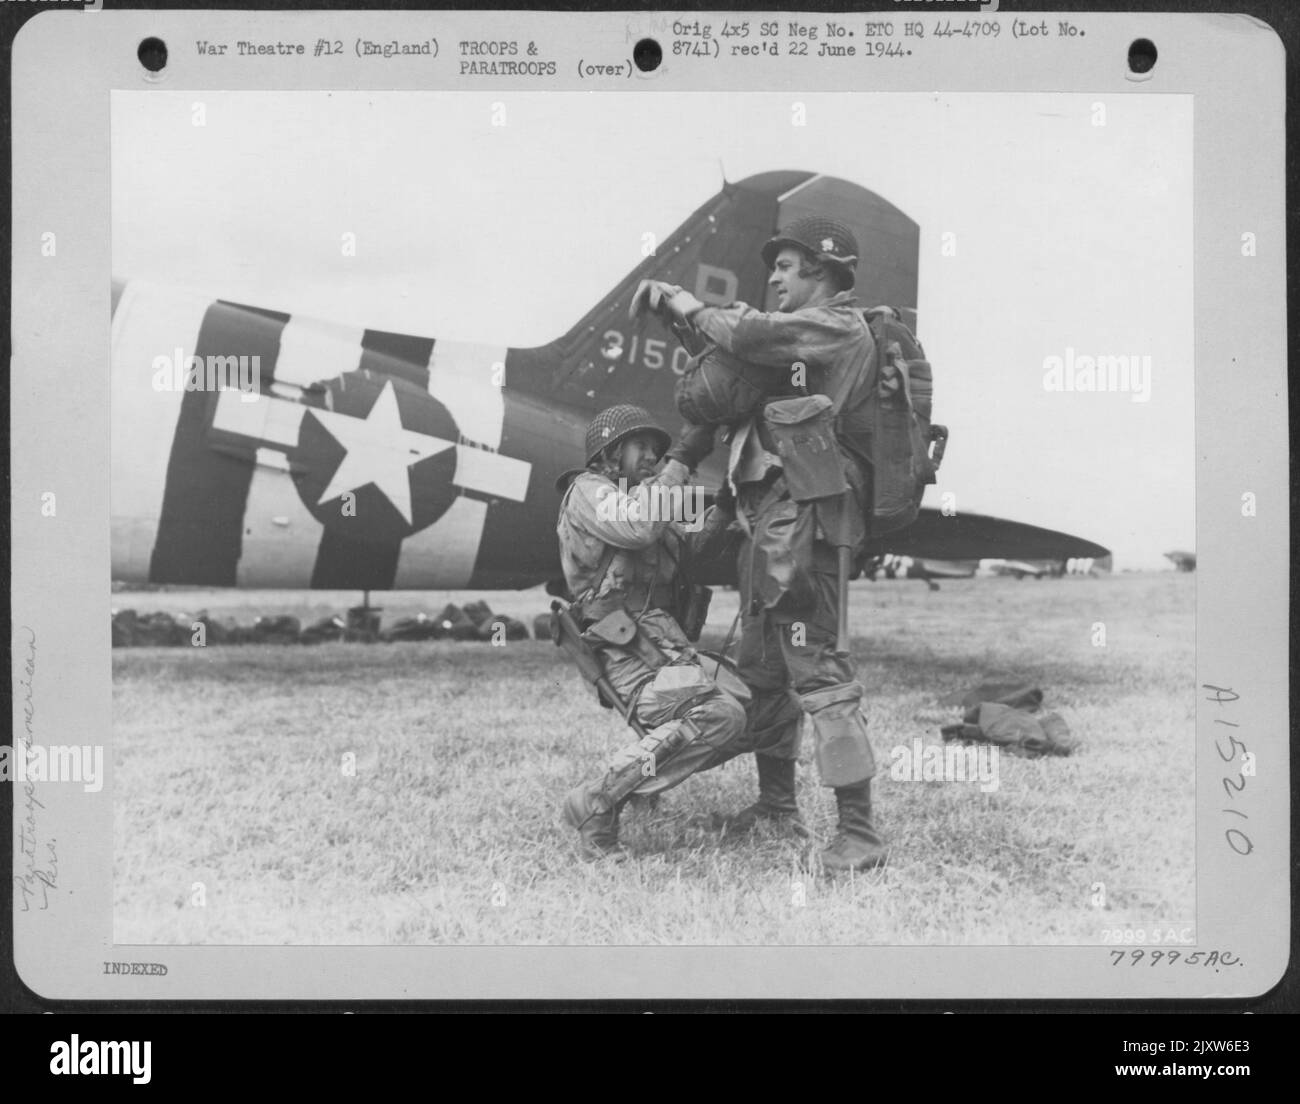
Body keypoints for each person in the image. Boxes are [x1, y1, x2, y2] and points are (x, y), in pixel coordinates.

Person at [658, 215, 890, 875]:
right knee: (763, 672)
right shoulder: (794, 353)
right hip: (769, 524)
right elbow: (727, 390)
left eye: (785, 266)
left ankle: (859, 833)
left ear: (822, 268)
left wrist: (690, 306)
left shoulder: (836, 329)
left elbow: (750, 331)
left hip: (809, 529)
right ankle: (777, 808)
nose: (775, 277)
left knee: (822, 677)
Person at [556, 404, 750, 862]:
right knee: (720, 715)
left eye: (658, 450)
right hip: (626, 659)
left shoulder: (646, 499)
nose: (652, 456)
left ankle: (641, 777)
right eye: (641, 445)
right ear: (609, 451)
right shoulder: (587, 491)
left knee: (759, 707)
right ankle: (597, 801)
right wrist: (683, 460)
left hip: (665, 651)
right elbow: (638, 528)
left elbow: (694, 555)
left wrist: (726, 504)